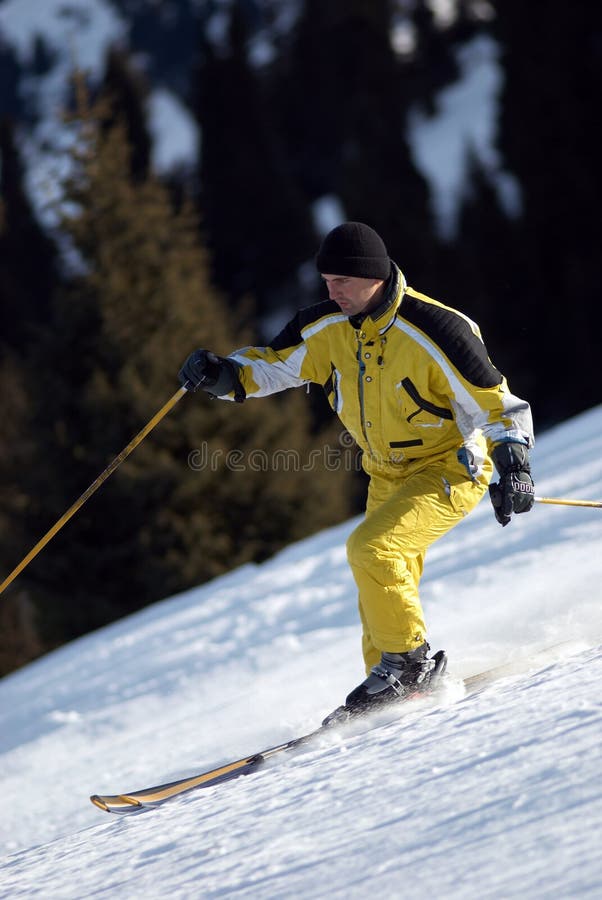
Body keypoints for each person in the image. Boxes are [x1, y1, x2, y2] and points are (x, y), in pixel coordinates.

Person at [178, 222, 535, 717]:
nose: (333, 292)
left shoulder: (438, 329)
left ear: (374, 276)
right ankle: (391, 685)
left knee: (373, 549)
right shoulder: (325, 326)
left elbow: (497, 404)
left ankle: (408, 666)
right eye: (327, 281)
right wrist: (224, 375)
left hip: (449, 467)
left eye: (342, 281)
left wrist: (514, 464)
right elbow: (273, 365)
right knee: (379, 580)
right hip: (385, 472)